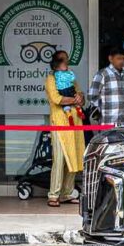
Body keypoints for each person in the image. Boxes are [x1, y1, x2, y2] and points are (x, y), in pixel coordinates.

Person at [44, 50, 86, 207]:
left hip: (74, 121)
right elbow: (57, 99)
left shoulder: (70, 75)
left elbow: (80, 94)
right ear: (58, 62)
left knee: (73, 157)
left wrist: (80, 97)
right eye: (65, 60)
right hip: (60, 122)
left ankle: (66, 193)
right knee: (60, 159)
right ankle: (53, 195)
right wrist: (73, 100)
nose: (68, 63)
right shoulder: (50, 78)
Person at [89, 46, 124, 128]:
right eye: (118, 58)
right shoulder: (102, 74)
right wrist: (100, 111)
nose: (122, 61)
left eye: (123, 59)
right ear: (110, 59)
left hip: (123, 122)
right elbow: (91, 96)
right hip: (107, 122)